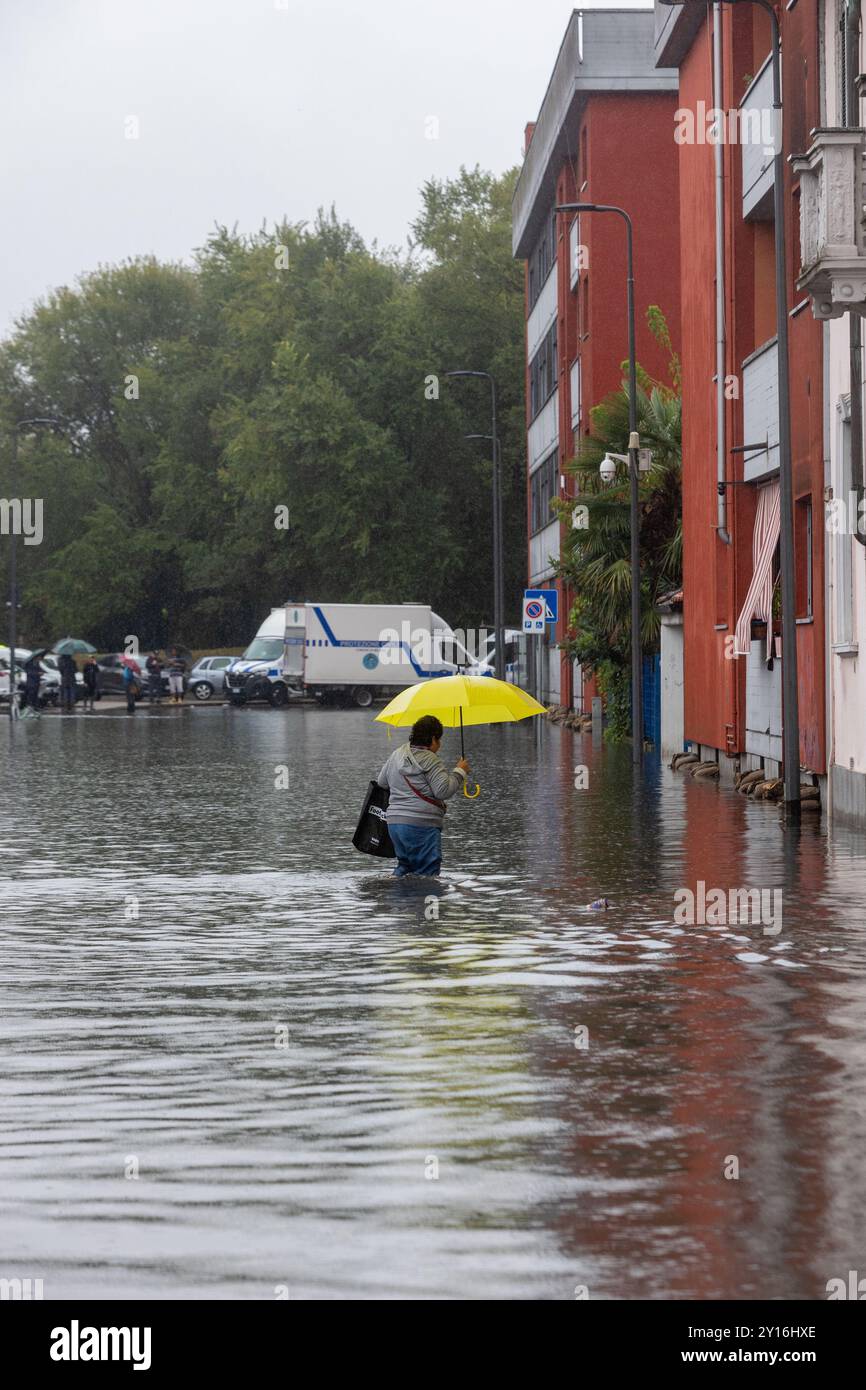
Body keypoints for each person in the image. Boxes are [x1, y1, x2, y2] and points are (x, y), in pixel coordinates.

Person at [376, 714, 470, 877]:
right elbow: (443, 791)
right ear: (433, 739)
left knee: (405, 868)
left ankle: (399, 901)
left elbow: (382, 782)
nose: (439, 745)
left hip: (395, 825)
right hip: (421, 825)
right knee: (428, 874)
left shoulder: (397, 754)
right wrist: (460, 771)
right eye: (439, 740)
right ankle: (428, 902)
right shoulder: (431, 759)